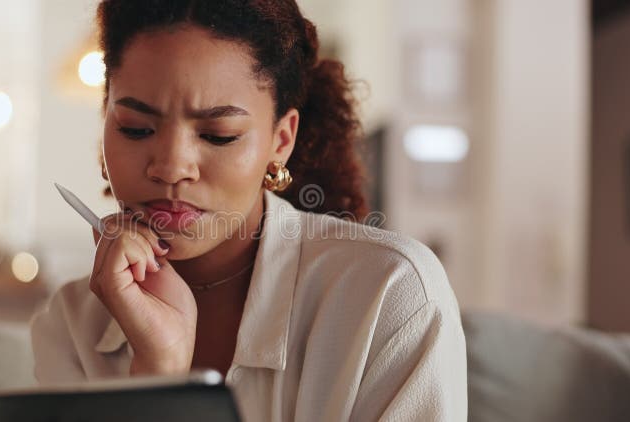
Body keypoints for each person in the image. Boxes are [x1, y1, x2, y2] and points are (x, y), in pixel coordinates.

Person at [30, 1, 467, 420]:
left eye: (219, 135)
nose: (171, 167)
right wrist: (157, 372)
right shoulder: (70, 325)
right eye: (136, 128)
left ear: (280, 141)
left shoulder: (391, 298)